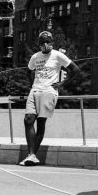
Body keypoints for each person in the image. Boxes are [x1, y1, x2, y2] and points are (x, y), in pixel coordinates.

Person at [20, 31, 80, 166]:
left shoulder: (58, 55)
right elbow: (29, 71)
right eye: (42, 42)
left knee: (40, 122)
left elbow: (75, 69)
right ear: (39, 43)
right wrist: (31, 84)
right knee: (28, 119)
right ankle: (31, 155)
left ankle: (32, 155)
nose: (45, 44)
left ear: (52, 42)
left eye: (48, 41)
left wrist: (62, 84)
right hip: (35, 90)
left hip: (49, 91)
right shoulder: (35, 57)